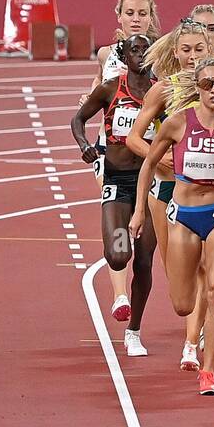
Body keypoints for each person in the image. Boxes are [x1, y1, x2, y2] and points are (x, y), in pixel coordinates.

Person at [129, 58, 214, 395]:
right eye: (207, 84)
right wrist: (139, 212)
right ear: (197, 89)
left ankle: (209, 371)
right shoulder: (176, 125)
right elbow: (148, 166)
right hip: (184, 216)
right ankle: (193, 325)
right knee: (183, 304)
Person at [126, 19, 211, 370]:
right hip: (166, 191)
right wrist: (159, 157)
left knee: (209, 270)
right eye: (186, 50)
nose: (193, 57)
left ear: (210, 49)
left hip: (212, 190)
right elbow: (134, 137)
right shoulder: (162, 91)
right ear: (175, 53)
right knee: (181, 283)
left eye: (199, 50)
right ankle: (191, 318)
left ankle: (192, 342)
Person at [71, 35, 158, 354]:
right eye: (135, 50)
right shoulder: (111, 88)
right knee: (119, 253)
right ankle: (120, 298)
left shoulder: (160, 91)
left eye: (146, 51)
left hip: (151, 183)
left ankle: (133, 330)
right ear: (123, 55)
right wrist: (85, 146)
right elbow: (79, 118)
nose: (141, 56)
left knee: (145, 262)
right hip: (118, 180)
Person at [87, 0, 161, 318]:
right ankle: (120, 295)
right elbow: (95, 87)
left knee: (143, 224)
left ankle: (133, 283)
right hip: (111, 150)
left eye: (142, 13)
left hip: (149, 150)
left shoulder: (159, 54)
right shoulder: (106, 54)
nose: (136, 18)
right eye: (129, 12)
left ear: (151, 16)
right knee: (117, 215)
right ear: (119, 16)